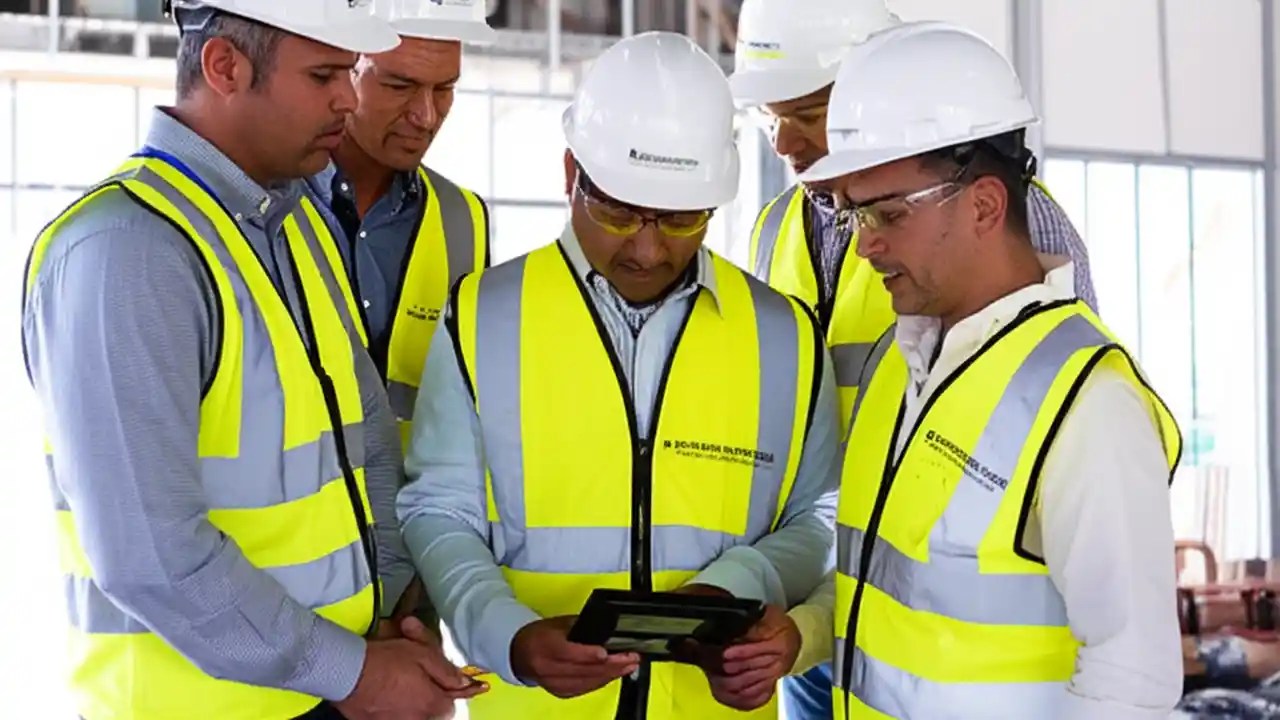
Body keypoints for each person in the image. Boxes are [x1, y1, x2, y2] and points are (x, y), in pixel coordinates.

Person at [20, 2, 484, 719]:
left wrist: (389, 615)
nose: (348, 98)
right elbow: (152, 558)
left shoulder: (291, 223)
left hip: (325, 686)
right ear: (224, 67)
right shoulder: (127, 252)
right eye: (324, 75)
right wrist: (356, 672)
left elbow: (364, 442)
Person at [396, 30, 839, 719]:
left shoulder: (784, 334)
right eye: (618, 211)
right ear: (570, 173)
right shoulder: (484, 315)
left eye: (680, 219)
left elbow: (819, 514)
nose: (647, 248)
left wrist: (739, 586)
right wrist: (509, 637)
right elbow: (438, 510)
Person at [797, 21, 1182, 718]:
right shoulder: (896, 365)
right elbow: (887, 592)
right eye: (855, 216)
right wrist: (801, 635)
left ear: (984, 205)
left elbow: (1131, 681)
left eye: (887, 215)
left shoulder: (1087, 404)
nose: (864, 248)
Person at [725, 2, 1101, 716]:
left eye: (806, 113)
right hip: (813, 599)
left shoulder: (1010, 223)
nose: (783, 143)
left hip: (939, 617)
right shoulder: (773, 227)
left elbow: (1059, 408)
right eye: (770, 117)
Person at [306, 0, 493, 452]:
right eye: (399, 86)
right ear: (344, 67)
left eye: (444, 88)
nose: (426, 116)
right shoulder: (265, 203)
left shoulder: (463, 220)